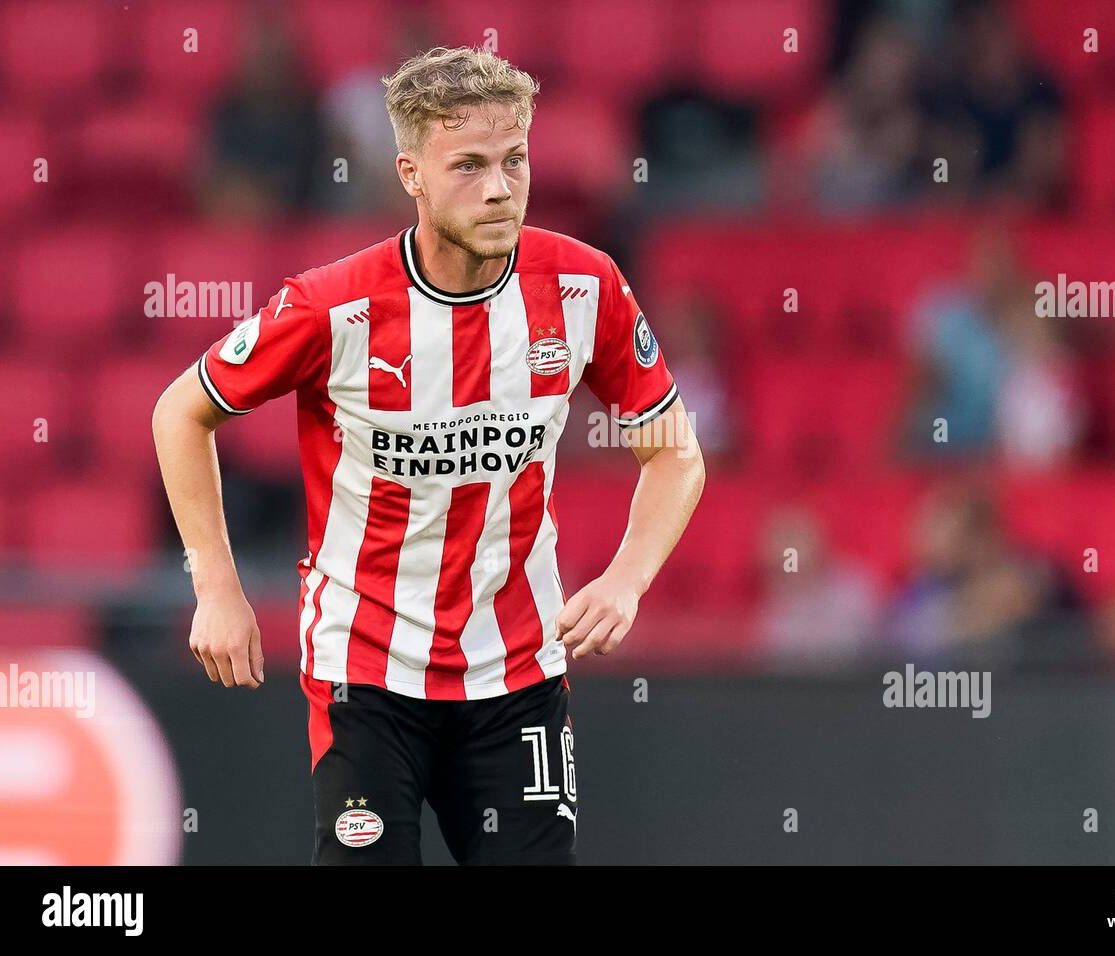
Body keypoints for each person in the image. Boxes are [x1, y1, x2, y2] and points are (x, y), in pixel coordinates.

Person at [153, 46, 705, 865]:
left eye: (514, 160)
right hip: (365, 668)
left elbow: (675, 453)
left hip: (518, 671)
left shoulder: (585, 286)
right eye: (469, 165)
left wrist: (627, 578)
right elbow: (181, 412)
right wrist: (218, 586)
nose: (498, 188)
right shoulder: (332, 306)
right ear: (410, 174)